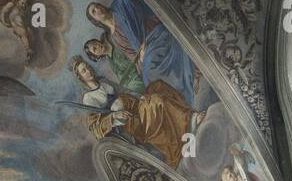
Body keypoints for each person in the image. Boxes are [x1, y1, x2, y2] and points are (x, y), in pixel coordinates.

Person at [71, 57, 202, 169]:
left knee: (158, 86)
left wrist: (140, 97)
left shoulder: (103, 82)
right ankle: (190, 120)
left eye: (87, 66)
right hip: (128, 120)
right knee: (158, 101)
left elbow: (123, 90)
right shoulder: (88, 98)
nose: (88, 70)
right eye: (84, 71)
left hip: (134, 104)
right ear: (81, 77)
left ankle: (188, 116)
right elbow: (96, 127)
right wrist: (113, 116)